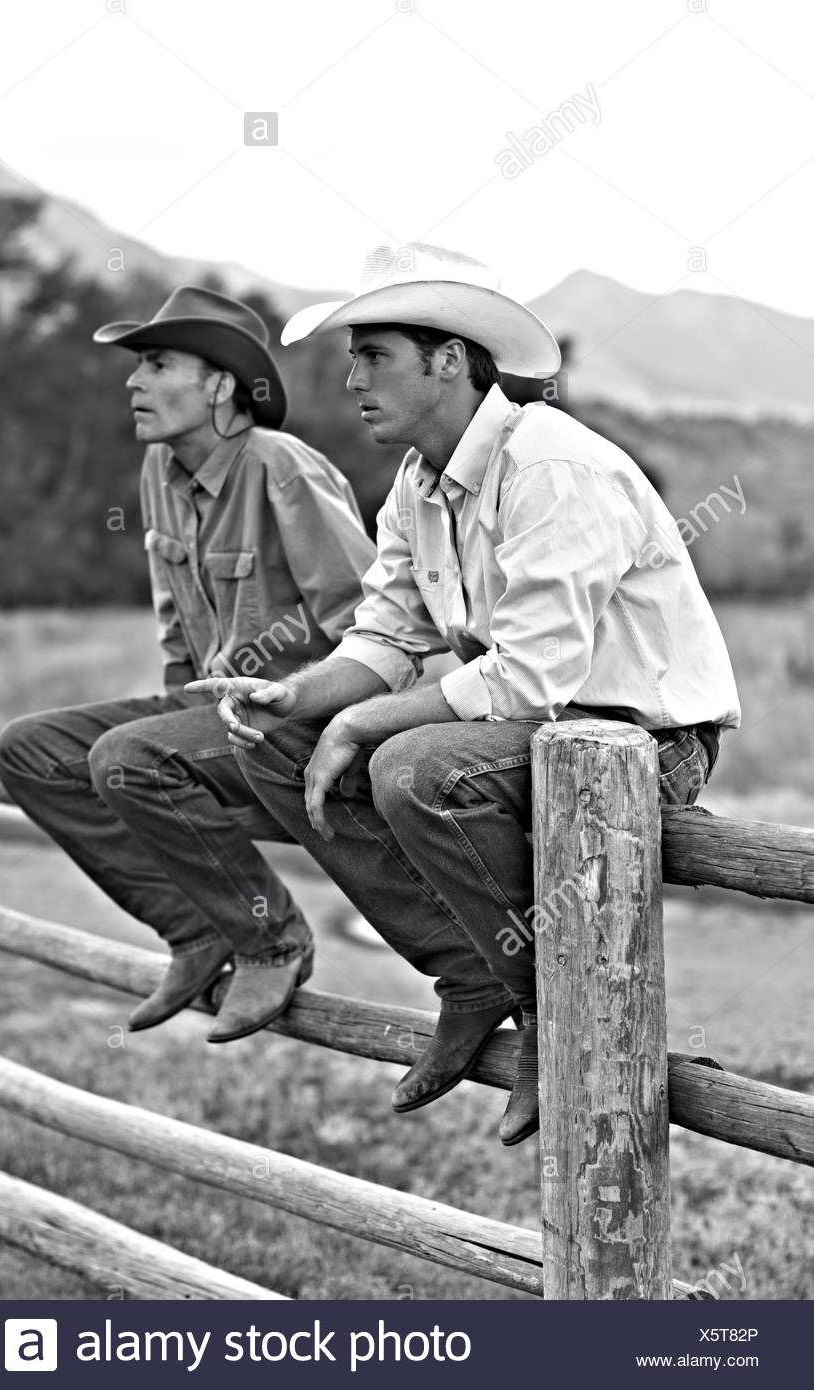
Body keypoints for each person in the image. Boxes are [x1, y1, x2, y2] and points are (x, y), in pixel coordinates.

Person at [188, 243, 741, 1144]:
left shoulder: (550, 467)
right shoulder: (416, 483)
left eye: (374, 356)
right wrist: (297, 698)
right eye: (351, 359)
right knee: (282, 744)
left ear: (447, 359)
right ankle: (473, 972)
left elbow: (531, 674)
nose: (351, 380)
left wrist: (365, 718)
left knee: (412, 768)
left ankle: (546, 1014)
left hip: (646, 740)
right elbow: (387, 635)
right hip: (535, 733)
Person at [0, 286, 376, 1042]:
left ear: (220, 385)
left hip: (299, 722)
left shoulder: (281, 468)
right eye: (137, 366)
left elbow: (372, 624)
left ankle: (273, 940)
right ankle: (197, 930)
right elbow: (177, 629)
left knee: (125, 759)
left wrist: (311, 709)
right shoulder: (159, 475)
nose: (132, 382)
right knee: (29, 752)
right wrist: (178, 733)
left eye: (157, 363)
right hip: (216, 721)